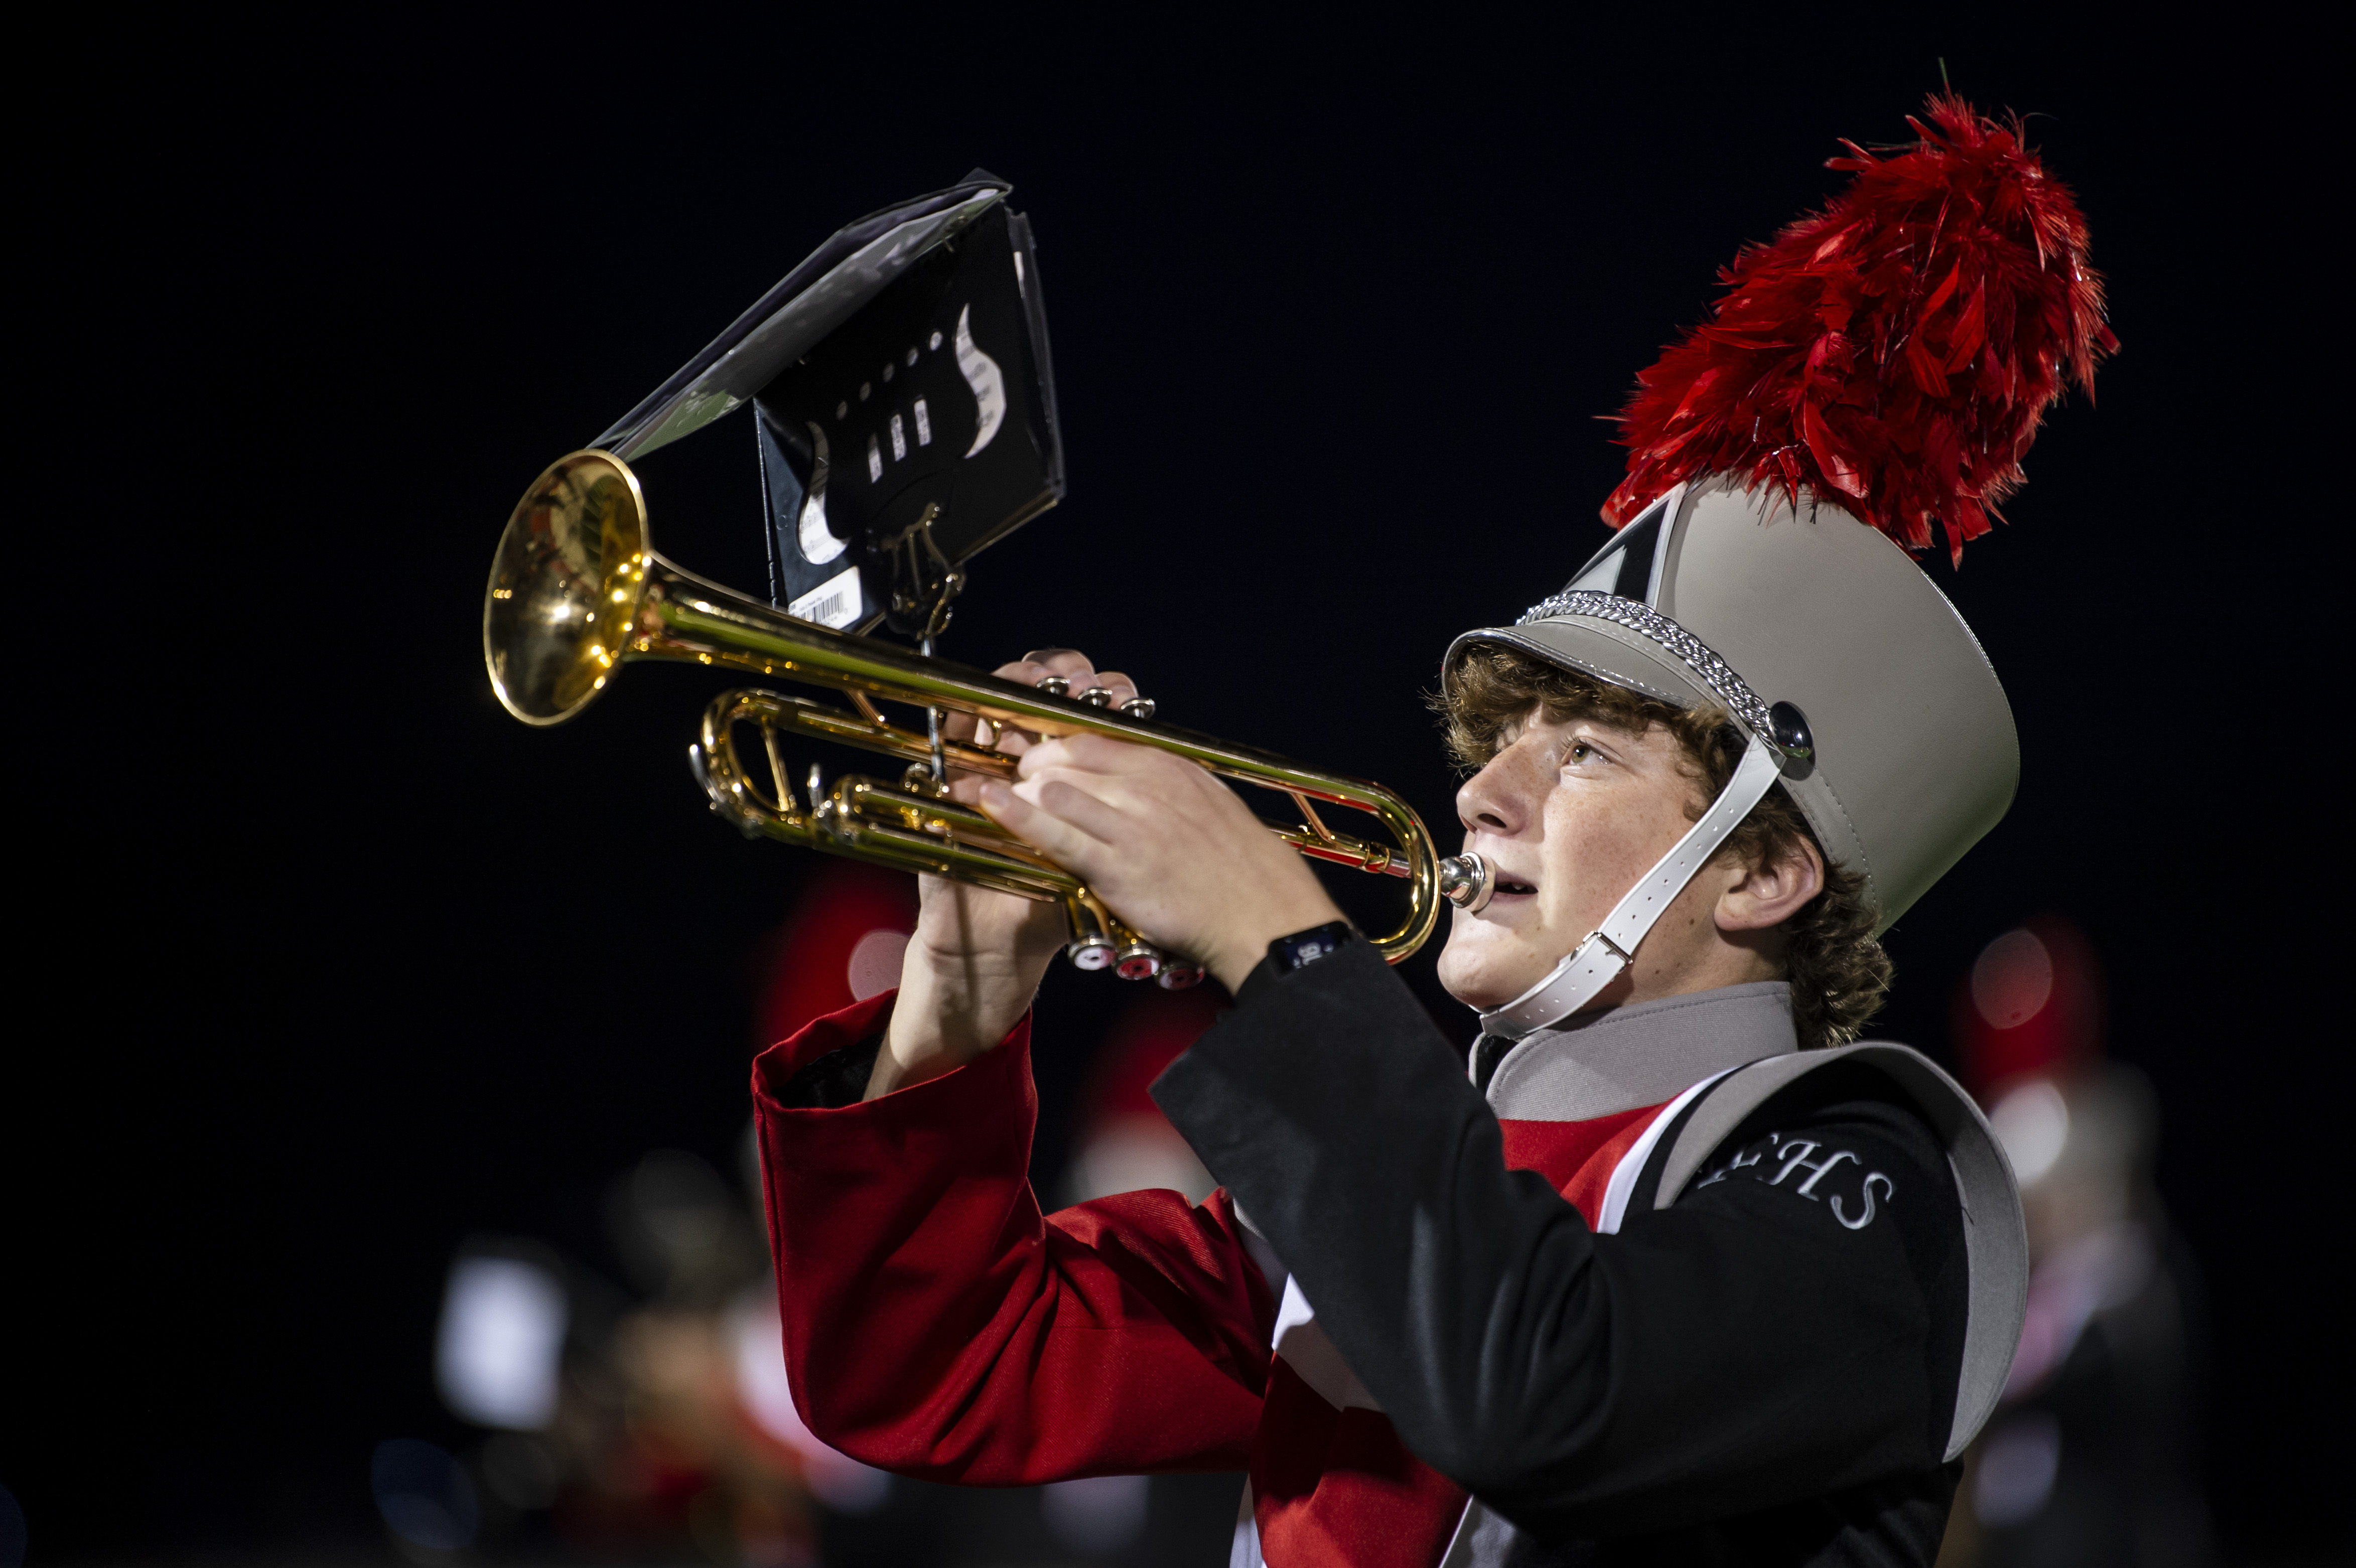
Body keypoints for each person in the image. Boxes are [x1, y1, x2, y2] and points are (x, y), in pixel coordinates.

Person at [751, 94, 2115, 1567]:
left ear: (1767, 870)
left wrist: (1273, 934)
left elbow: (1553, 1387)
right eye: (1495, 746)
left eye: (1583, 752)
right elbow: (932, 1370)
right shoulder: (1403, 1189)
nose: (1479, 793)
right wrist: (958, 1006)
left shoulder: (1875, 1188)